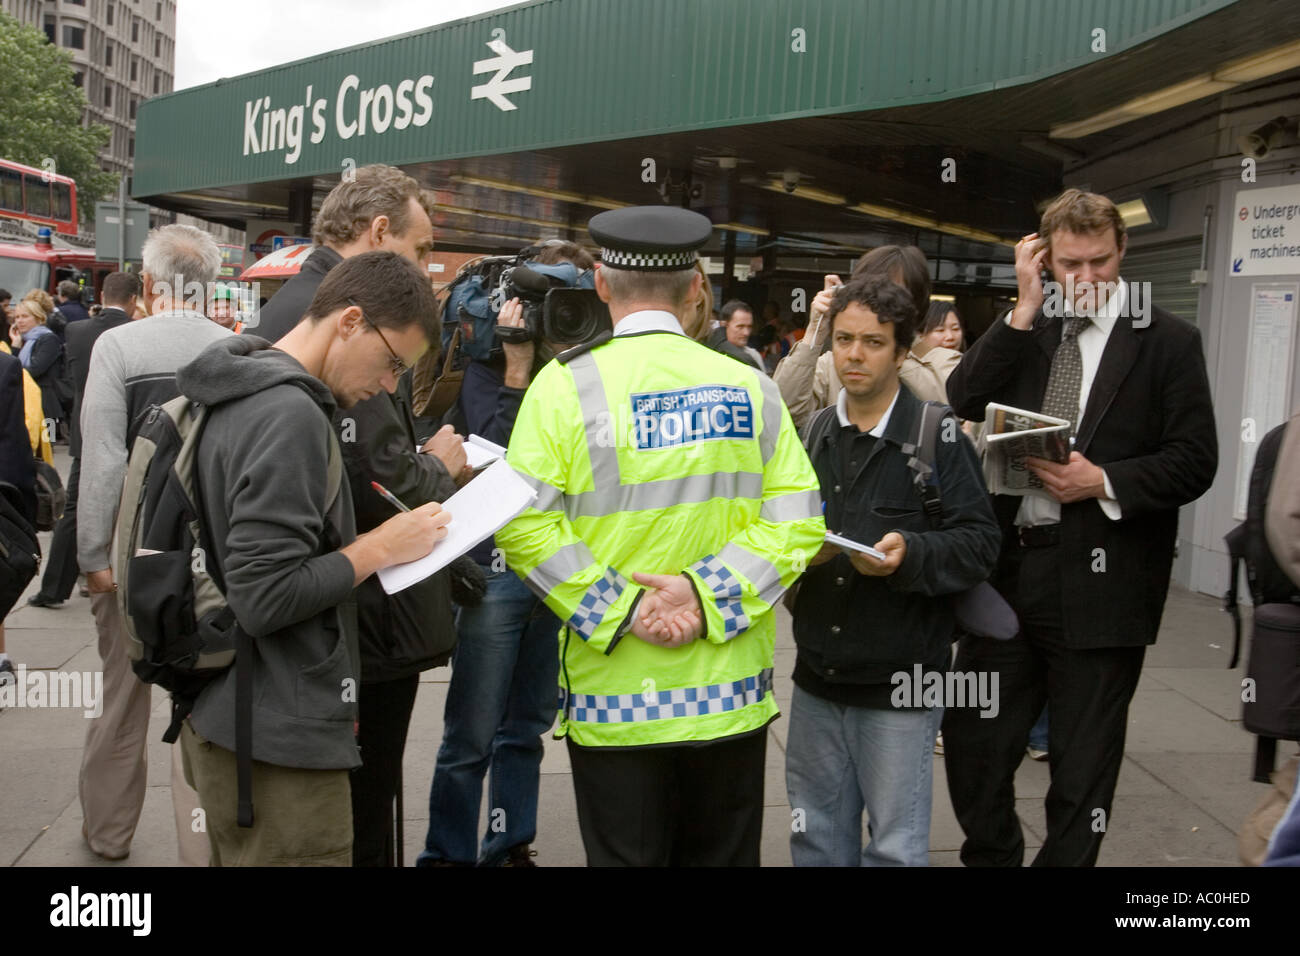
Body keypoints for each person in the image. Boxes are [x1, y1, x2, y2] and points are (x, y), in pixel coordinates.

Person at [496, 206, 825, 866]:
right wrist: (705, 598)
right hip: (727, 700)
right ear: (696, 289)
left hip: (618, 706)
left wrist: (621, 609)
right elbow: (798, 522)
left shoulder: (564, 387)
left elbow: (521, 524)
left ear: (600, 284)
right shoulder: (750, 387)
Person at [942, 187, 1218, 867]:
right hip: (1011, 576)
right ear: (1043, 259)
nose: (1087, 279)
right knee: (973, 741)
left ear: (1122, 251)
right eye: (1070, 264)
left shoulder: (1169, 342)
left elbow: (1195, 460)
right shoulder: (1028, 327)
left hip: (1105, 582)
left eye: (1100, 262)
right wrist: (1024, 307)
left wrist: (1104, 481)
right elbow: (961, 398)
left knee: (1082, 769)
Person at [176, 250, 451, 866]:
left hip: (231, 717)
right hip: (278, 743)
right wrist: (379, 548)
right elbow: (264, 597)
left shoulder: (240, 381)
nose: (388, 385)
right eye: (392, 363)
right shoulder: (289, 414)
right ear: (350, 321)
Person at [250, 168, 464, 866]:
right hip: (358, 625)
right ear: (377, 235)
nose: (425, 269)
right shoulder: (344, 327)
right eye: (420, 247)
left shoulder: (298, 307)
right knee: (364, 813)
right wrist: (438, 468)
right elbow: (380, 473)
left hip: (341, 619)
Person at [785, 275, 999, 867]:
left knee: (896, 848)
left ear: (903, 352)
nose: (854, 355)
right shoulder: (819, 431)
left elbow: (981, 544)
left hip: (902, 682)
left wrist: (912, 553)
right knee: (815, 836)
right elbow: (782, 529)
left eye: (873, 342)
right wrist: (802, 551)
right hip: (817, 677)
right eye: (845, 339)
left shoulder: (938, 434)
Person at [418, 242, 592, 868]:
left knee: (525, 730)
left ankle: (509, 845)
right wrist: (518, 368)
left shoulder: (580, 366)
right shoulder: (491, 360)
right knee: (469, 735)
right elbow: (494, 464)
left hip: (559, 569)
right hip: (495, 572)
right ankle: (445, 856)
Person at [77, 225, 231, 864]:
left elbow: (104, 463)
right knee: (199, 705)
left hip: (131, 559)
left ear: (148, 283)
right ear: (210, 285)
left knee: (121, 698)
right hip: (207, 566)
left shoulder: (117, 347)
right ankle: (200, 847)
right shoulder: (237, 349)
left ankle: (109, 835)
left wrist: (93, 557)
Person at [28, 272, 140, 609]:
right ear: (135, 298)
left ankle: (53, 588)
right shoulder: (133, 334)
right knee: (130, 506)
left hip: (85, 429)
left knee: (76, 509)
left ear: (103, 294)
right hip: (129, 429)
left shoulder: (76, 331)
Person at [248, 164, 435, 343]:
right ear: (379, 233)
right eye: (419, 251)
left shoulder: (291, 305)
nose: (425, 272)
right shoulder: (343, 322)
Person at [773, 246, 940, 429]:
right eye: (868, 291)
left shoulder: (943, 365)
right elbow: (782, 412)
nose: (855, 355)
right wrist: (815, 331)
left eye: (892, 294)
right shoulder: (832, 365)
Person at [9, 297, 67, 428]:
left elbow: (35, 369)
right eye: (17, 317)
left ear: (38, 318)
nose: (19, 321)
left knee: (48, 443)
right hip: (28, 403)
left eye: (25, 316)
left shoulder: (49, 339)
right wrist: (15, 347)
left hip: (47, 406)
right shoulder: (24, 341)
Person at [708, 299, 766, 373]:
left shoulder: (754, 356)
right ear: (724, 325)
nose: (746, 333)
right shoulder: (710, 353)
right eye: (740, 327)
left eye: (749, 327)